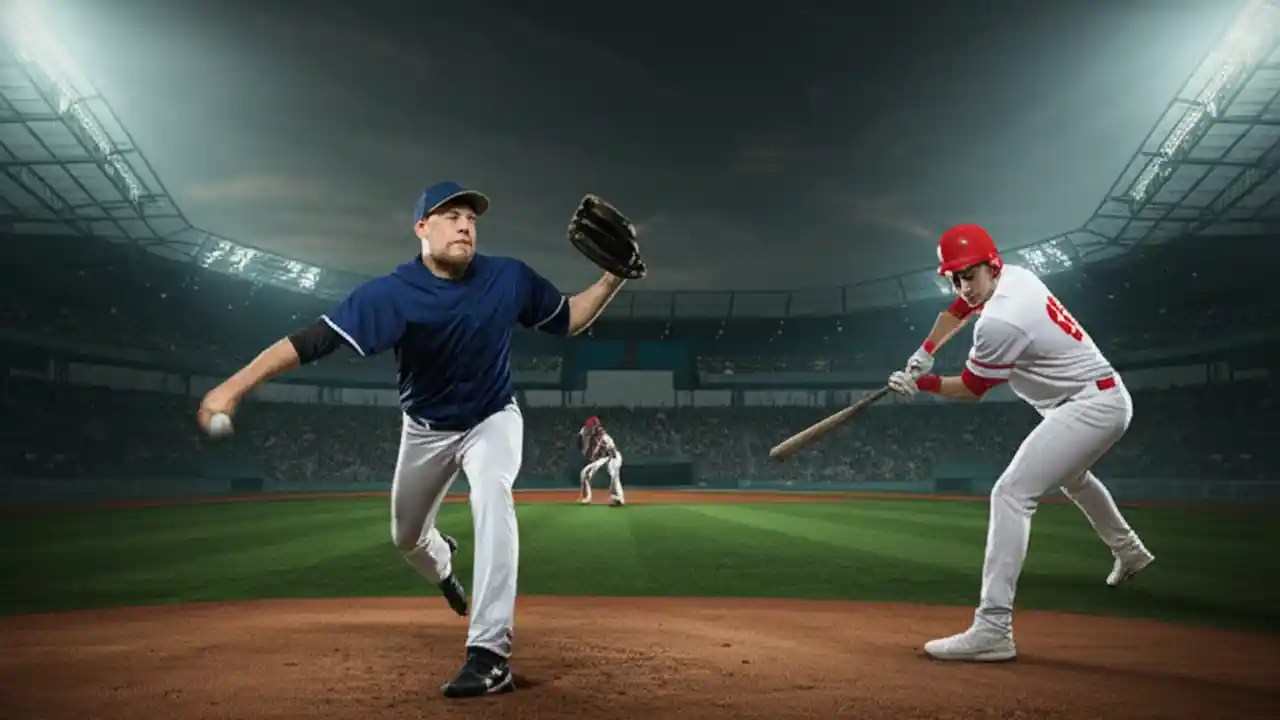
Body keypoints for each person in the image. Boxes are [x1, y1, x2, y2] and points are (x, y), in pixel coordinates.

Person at [195, 180, 634, 697]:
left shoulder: (508, 278)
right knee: (407, 537)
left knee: (493, 493)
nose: (466, 223)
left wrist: (611, 278)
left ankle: (490, 652)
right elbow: (312, 341)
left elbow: (569, 318)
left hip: (493, 418)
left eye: (472, 216)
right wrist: (232, 387)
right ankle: (443, 563)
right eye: (451, 215)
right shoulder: (392, 292)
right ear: (422, 228)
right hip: (425, 430)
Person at [887, 223, 1155, 662]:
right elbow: (959, 306)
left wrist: (923, 383)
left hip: (1089, 406)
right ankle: (1131, 552)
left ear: (991, 267)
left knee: (1011, 493)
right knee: (1074, 478)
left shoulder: (1000, 322)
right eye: (954, 277)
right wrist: (925, 350)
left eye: (969, 275)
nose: (963, 287)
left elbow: (972, 389)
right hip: (1097, 397)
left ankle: (993, 628)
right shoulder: (1015, 276)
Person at [577, 416, 625, 506]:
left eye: (590, 427)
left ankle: (618, 498)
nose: (588, 428)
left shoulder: (605, 438)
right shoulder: (588, 433)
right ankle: (587, 498)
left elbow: (612, 452)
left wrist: (610, 463)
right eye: (588, 427)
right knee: (584, 473)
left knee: (613, 473)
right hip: (602, 459)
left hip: (613, 456)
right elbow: (580, 441)